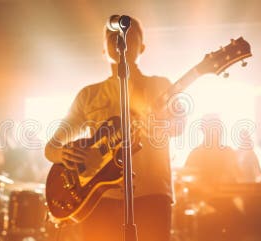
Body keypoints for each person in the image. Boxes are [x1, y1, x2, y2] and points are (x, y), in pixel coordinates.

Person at [44, 16, 184, 241]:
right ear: (103, 50)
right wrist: (63, 154)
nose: (121, 40)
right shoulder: (88, 95)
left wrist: (160, 127)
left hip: (152, 194)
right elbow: (51, 148)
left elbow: (179, 127)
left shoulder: (160, 86)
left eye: (128, 35)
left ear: (142, 47)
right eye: (112, 36)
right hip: (99, 198)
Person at [183, 115, 242, 241]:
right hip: (203, 208)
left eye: (218, 128)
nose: (218, 132)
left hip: (225, 207)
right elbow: (187, 182)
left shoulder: (228, 152)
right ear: (204, 131)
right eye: (214, 128)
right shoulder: (195, 154)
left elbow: (236, 178)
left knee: (238, 220)